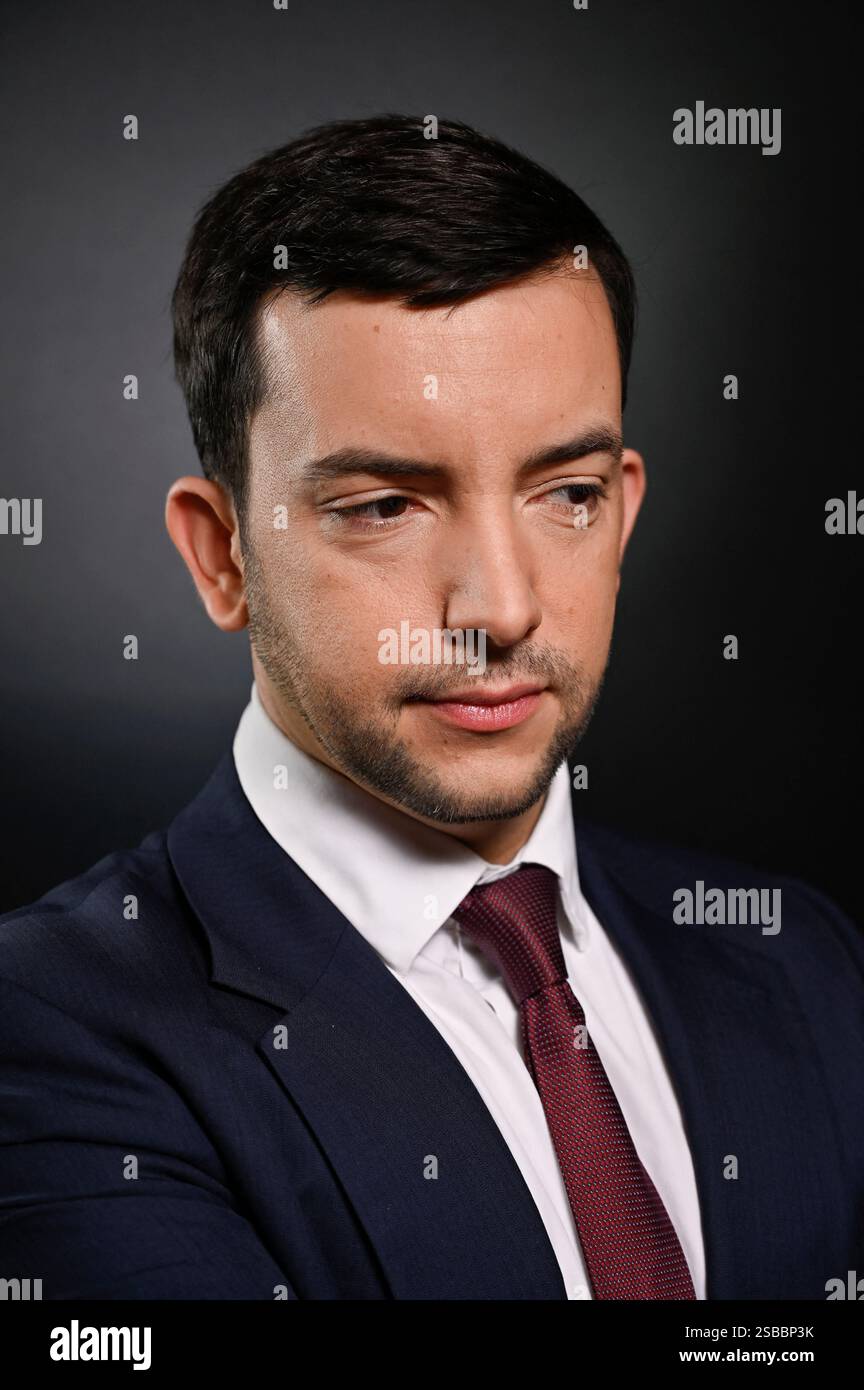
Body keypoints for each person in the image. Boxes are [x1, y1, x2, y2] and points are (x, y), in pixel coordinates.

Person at [0, 114, 861, 1301]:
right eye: (383, 506)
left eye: (564, 493)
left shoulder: (798, 957)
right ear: (222, 556)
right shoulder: (45, 1029)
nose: (500, 609)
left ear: (622, 511)